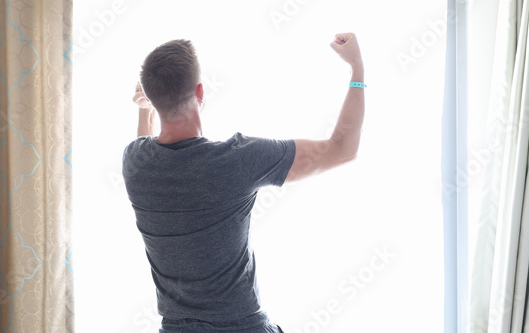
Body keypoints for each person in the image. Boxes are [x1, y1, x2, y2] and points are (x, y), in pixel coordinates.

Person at [122, 33, 365, 333]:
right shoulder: (235, 160)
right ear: (200, 91)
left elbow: (146, 143)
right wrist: (357, 69)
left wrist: (145, 109)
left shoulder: (135, 164)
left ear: (153, 98)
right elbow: (343, 149)